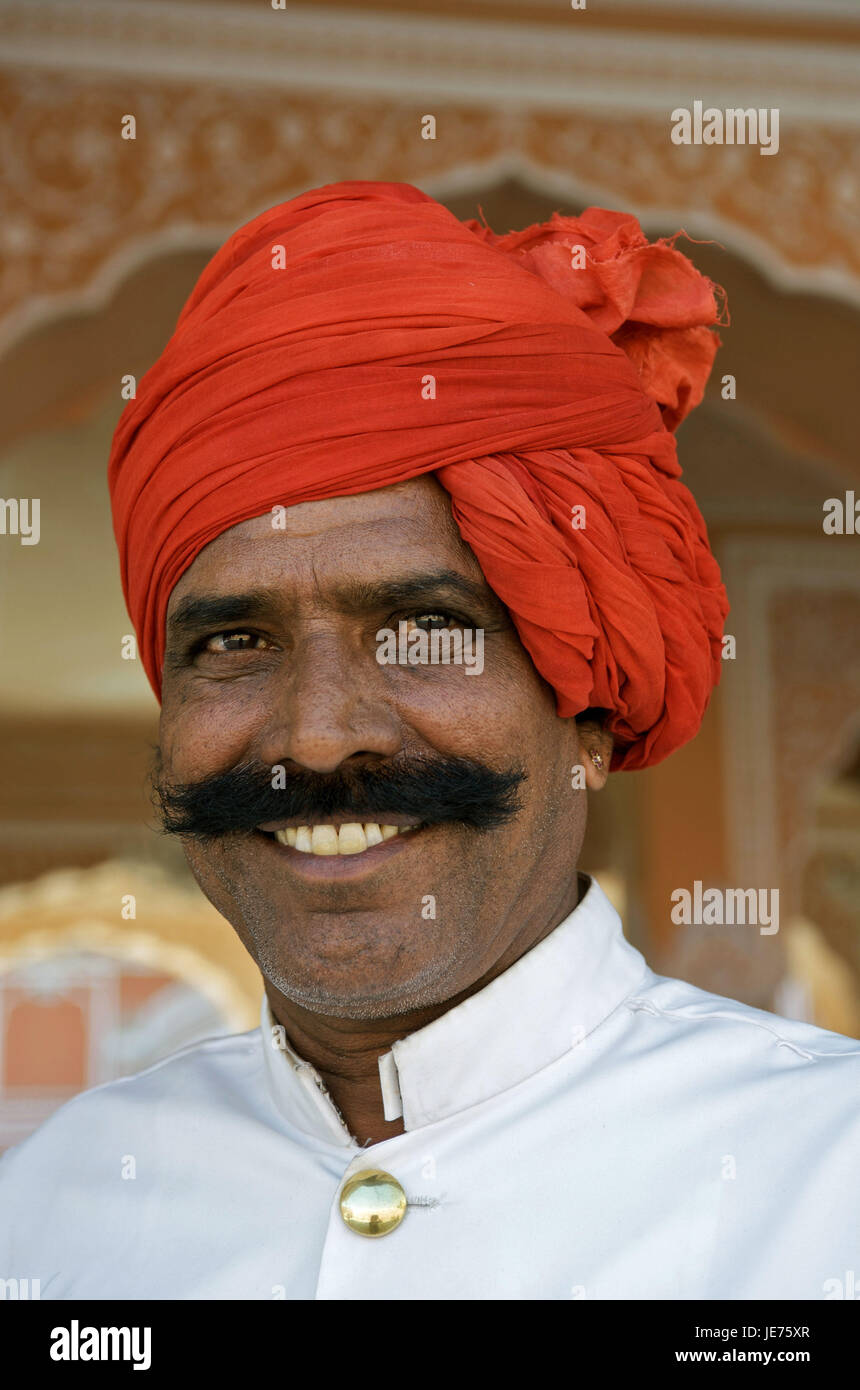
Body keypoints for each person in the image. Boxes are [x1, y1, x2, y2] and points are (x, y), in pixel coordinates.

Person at [1, 182, 857, 1300]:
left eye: (421, 631)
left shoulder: (820, 1178)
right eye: (235, 642)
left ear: (586, 717)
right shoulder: (50, 1210)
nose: (314, 736)